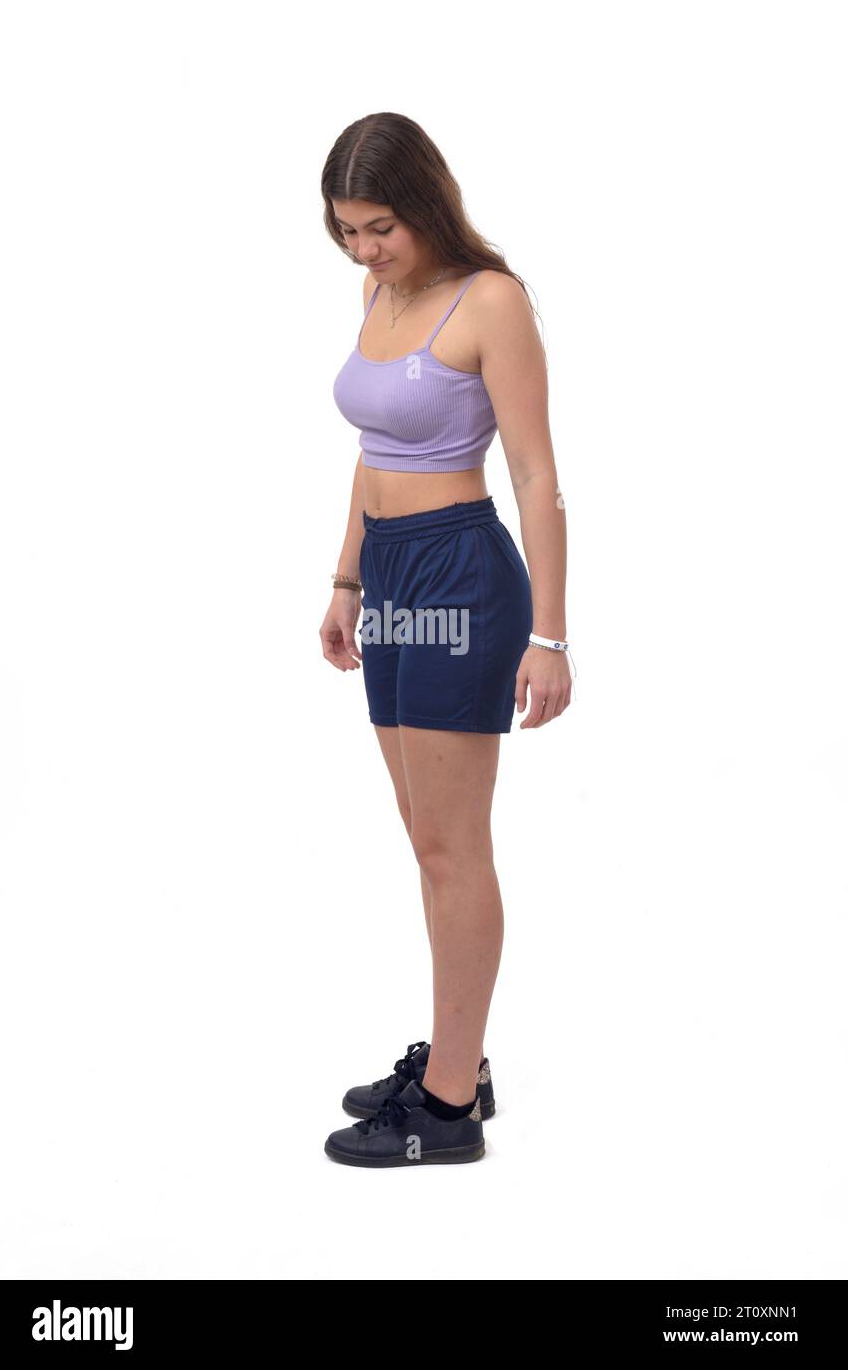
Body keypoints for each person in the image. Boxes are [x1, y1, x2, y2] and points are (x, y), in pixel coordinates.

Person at [319, 113, 573, 1168]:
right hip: (387, 571)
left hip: (462, 575)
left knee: (450, 846)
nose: (364, 249)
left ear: (424, 203)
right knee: (424, 840)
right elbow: (370, 452)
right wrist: (343, 575)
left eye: (379, 226)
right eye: (344, 231)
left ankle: (449, 1103)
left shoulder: (491, 301)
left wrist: (550, 636)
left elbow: (536, 478)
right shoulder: (379, 291)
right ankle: (454, 1059)